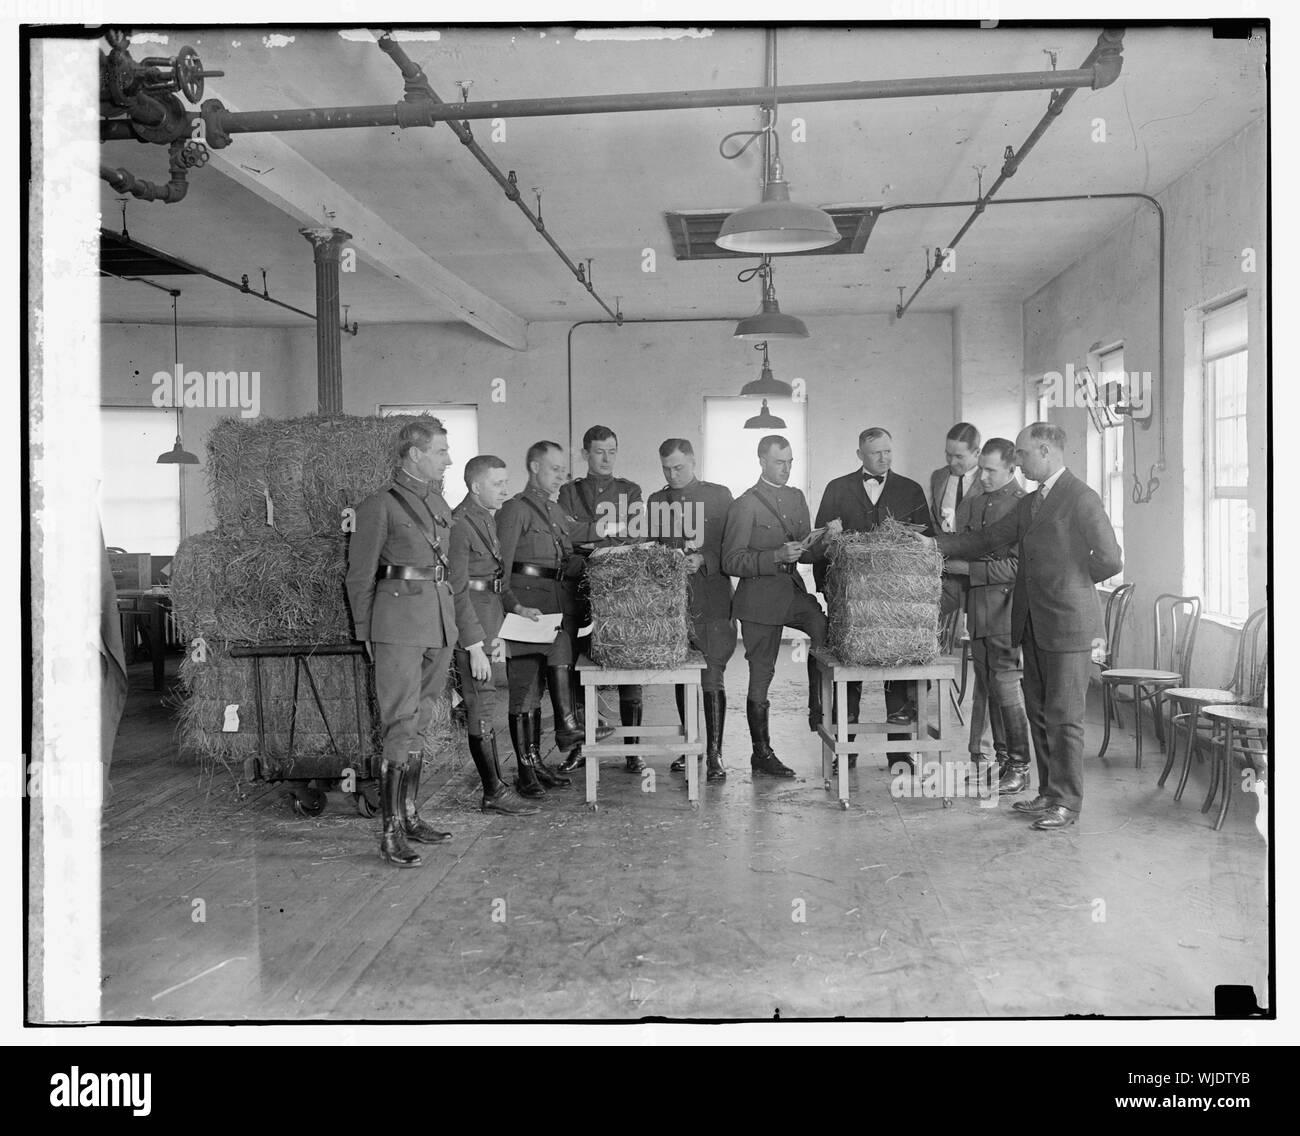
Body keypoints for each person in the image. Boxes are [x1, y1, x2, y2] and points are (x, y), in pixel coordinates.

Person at [922, 423, 1122, 831]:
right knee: (1040, 712)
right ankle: (1048, 794)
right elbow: (991, 538)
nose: (1017, 460)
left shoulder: (1080, 497)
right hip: (1032, 622)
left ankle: (1067, 803)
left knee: (1065, 717)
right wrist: (935, 544)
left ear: (1046, 451)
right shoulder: (1032, 502)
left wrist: (1071, 582)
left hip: (1068, 624)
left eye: (1023, 453)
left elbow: (1110, 559)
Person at [346, 419, 460, 867]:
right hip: (396, 626)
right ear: (414, 454)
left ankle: (410, 814)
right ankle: (390, 831)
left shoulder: (437, 501)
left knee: (423, 718)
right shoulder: (378, 506)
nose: (447, 460)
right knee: (399, 722)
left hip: (437, 621)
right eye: (440, 452)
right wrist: (366, 631)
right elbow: (359, 575)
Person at [813, 427, 931, 771]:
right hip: (849, 601)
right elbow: (820, 543)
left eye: (888, 452)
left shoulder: (911, 490)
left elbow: (930, 543)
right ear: (860, 454)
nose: (884, 458)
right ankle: (845, 752)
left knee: (899, 672)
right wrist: (827, 589)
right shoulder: (837, 488)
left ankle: (899, 751)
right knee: (848, 673)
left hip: (898, 604)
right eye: (876, 453)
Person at [721, 434, 836, 778]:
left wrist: (824, 540)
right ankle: (762, 753)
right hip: (757, 600)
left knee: (820, 624)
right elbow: (731, 560)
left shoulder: (796, 497)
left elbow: (806, 549)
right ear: (761, 461)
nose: (785, 469)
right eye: (778, 462)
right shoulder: (745, 504)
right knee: (762, 676)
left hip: (790, 591)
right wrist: (774, 556)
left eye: (789, 462)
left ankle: (816, 708)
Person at [448, 455, 544, 816]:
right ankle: (493, 792)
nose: (506, 488)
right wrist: (473, 645)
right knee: (480, 701)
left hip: (489, 614)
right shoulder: (459, 524)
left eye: (506, 482)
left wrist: (516, 608)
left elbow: (494, 576)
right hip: (471, 619)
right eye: (498, 483)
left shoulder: (486, 519)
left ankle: (496, 788)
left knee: (487, 700)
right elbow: (458, 588)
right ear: (475, 486)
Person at [942, 438, 1031, 792]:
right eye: (983, 469)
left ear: (1012, 468)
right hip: (978, 609)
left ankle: (1019, 766)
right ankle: (1000, 760)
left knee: (1006, 686)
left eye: (993, 471)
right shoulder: (974, 503)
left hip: (1007, 610)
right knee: (989, 685)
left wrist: (967, 568)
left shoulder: (1024, 506)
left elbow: (1016, 567)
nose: (986, 476)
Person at [496, 441, 586, 788]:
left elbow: (566, 557)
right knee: (524, 690)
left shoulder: (554, 511)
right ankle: (524, 771)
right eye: (554, 469)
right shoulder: (515, 510)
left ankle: (535, 762)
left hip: (552, 607)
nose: (560, 476)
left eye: (563, 469)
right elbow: (499, 567)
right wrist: (512, 606)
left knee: (539, 685)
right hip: (525, 609)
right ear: (534, 467)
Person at [647, 438, 737, 783]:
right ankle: (689, 749)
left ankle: (713, 754)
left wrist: (706, 559)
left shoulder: (719, 495)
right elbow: (651, 549)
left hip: (712, 599)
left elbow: (734, 547)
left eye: (679, 467)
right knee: (683, 675)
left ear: (694, 461)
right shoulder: (657, 501)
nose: (673, 474)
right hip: (674, 605)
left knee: (712, 675)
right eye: (666, 468)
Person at [558, 425, 645, 772]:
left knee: (629, 662)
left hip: (620, 587)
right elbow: (564, 533)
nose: (606, 458)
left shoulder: (630, 489)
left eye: (612, 451)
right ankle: (580, 747)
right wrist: (609, 531)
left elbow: (637, 532)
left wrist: (589, 538)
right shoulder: (569, 491)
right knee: (579, 663)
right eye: (599, 452)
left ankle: (633, 749)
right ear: (585, 455)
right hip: (578, 586)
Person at [928, 422, 985, 620]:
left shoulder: (989, 479)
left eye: (959, 456)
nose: (952, 462)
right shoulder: (939, 476)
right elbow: (935, 521)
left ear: (977, 452)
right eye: (948, 454)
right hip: (943, 569)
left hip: (976, 572)